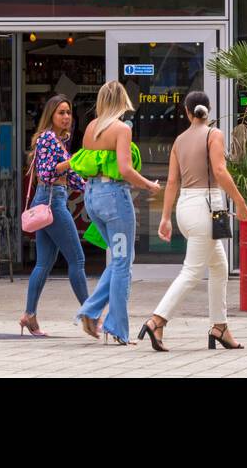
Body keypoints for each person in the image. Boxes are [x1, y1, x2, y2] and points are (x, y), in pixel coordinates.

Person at [138, 90, 247, 351]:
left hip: (186, 209)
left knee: (219, 266)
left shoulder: (179, 141)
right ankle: (157, 320)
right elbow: (219, 170)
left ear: (187, 113)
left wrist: (165, 217)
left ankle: (220, 327)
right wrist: (240, 202)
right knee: (192, 271)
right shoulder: (214, 134)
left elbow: (172, 182)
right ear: (208, 111)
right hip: (206, 208)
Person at [70, 80, 161, 345]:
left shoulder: (91, 128)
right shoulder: (122, 129)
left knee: (120, 258)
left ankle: (91, 310)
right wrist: (149, 185)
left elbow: (85, 161)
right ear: (123, 101)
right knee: (123, 263)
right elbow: (124, 168)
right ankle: (116, 327)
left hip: (92, 197)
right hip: (114, 199)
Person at [19, 95, 89, 336]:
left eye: (68, 112)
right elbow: (48, 173)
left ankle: (29, 315)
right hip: (52, 201)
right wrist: (73, 161)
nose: (66, 117)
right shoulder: (48, 138)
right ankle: (90, 314)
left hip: (49, 200)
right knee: (77, 260)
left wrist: (87, 187)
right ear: (51, 115)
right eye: (61, 112)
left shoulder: (60, 140)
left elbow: (68, 176)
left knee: (44, 263)